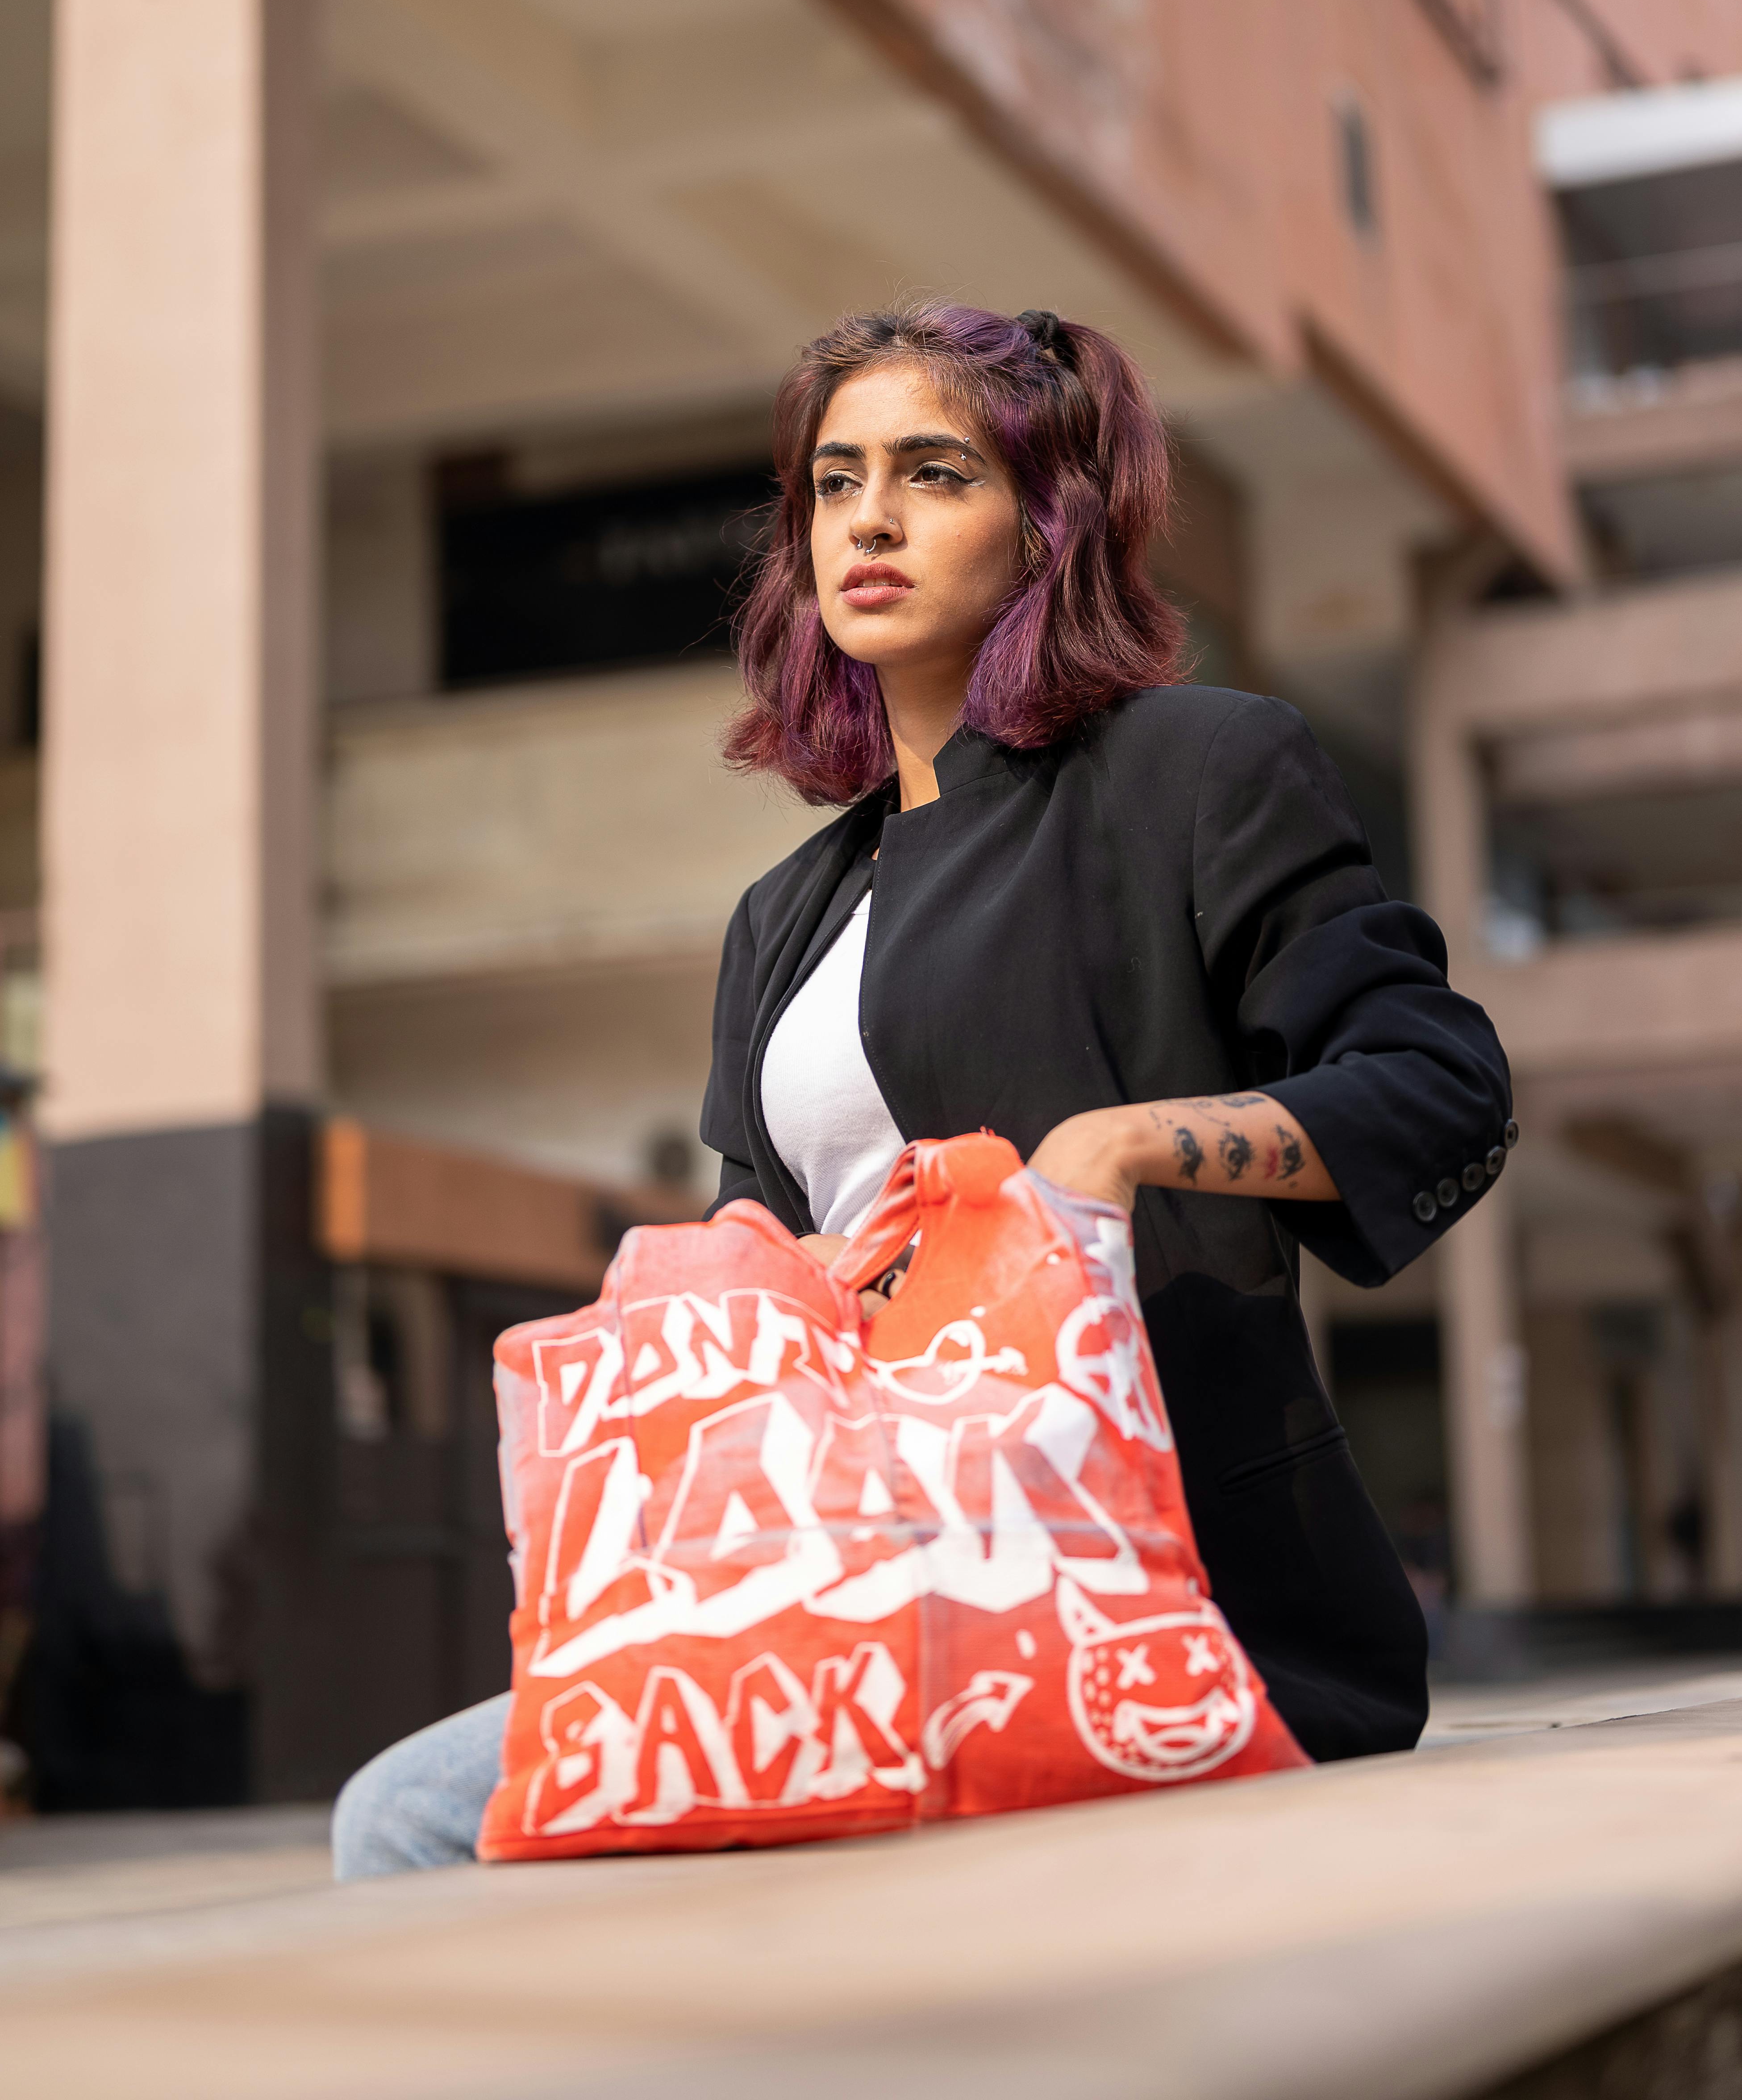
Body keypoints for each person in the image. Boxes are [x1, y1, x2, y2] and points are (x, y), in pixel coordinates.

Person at [333, 299, 1513, 1879]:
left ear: (1049, 525)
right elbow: (751, 1242)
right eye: (834, 481)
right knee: (407, 1818)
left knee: (423, 1827)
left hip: (1149, 1589)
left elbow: (1439, 1085)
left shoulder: (1195, 774)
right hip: (839, 1584)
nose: (867, 521)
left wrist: (1124, 1146)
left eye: (936, 473)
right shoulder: (784, 916)